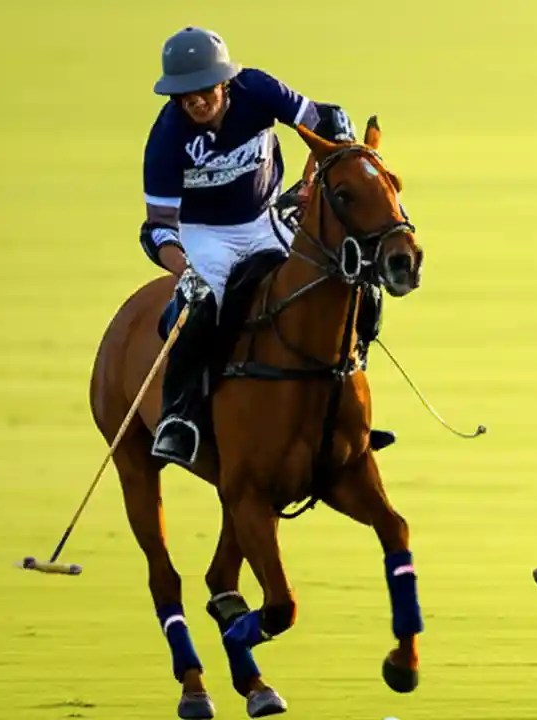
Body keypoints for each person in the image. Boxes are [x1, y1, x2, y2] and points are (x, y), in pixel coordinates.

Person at [139, 26, 388, 469]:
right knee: (202, 309)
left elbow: (325, 121)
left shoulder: (257, 89)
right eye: (184, 95)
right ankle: (180, 415)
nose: (196, 101)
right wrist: (186, 271)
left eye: (203, 90)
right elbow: (158, 229)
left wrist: (322, 173)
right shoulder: (166, 139)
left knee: (348, 281)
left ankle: (350, 396)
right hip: (205, 234)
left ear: (223, 82)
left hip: (263, 218)